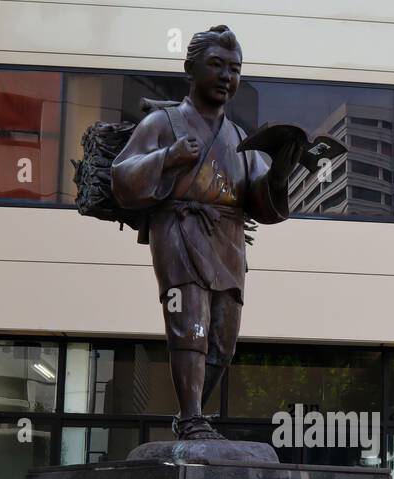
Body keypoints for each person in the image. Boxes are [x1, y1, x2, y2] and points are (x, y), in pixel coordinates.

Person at [111, 25, 303, 440]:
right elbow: (122, 177)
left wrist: (280, 175)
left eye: (234, 69)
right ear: (190, 69)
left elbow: (259, 201)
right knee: (190, 325)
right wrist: (168, 156)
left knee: (223, 341)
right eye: (215, 65)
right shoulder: (164, 122)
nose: (226, 76)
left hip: (228, 239)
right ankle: (194, 415)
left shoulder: (238, 138)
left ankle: (188, 416)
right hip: (180, 228)